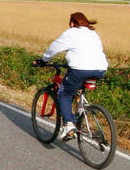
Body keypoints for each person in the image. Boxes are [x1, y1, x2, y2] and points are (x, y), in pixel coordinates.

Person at [34, 12, 108, 140]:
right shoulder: (93, 33)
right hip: (100, 69)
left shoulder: (71, 32)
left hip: (80, 69)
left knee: (64, 93)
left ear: (73, 23)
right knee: (76, 87)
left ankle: (69, 124)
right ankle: (80, 111)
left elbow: (54, 48)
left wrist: (43, 60)